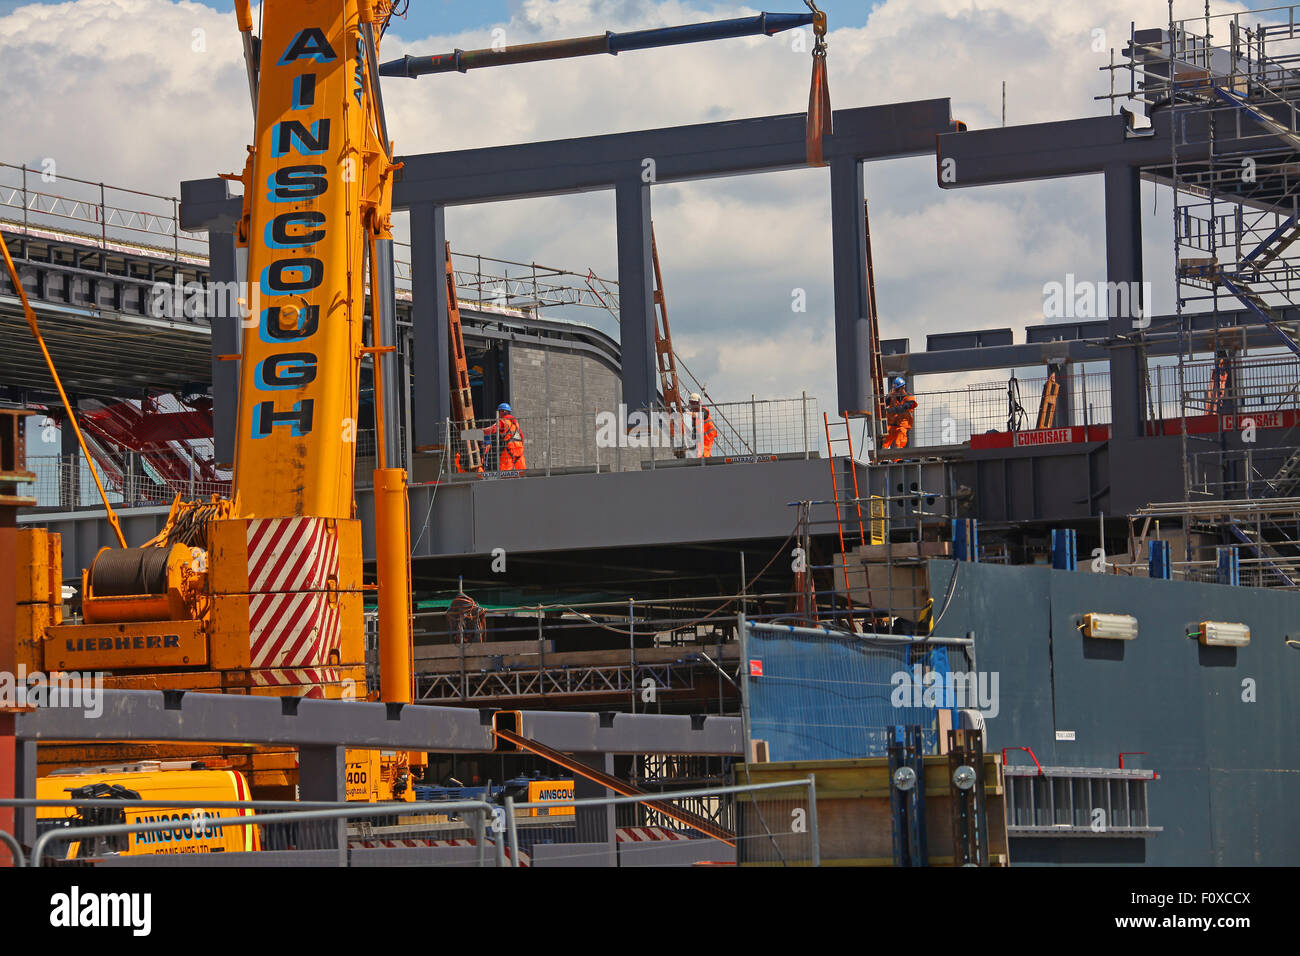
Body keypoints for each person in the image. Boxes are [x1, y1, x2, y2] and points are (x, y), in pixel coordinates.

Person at [482, 402, 526, 471]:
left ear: (503, 412)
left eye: (499, 412)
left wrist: (478, 431)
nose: (498, 414)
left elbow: (492, 430)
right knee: (522, 473)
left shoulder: (502, 421)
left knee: (504, 472)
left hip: (510, 449)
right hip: (520, 450)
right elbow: (521, 436)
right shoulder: (514, 422)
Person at [882, 377, 917, 452]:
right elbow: (883, 404)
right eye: (895, 389)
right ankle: (879, 461)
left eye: (897, 389)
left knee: (899, 443)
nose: (896, 391)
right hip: (892, 425)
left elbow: (904, 407)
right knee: (884, 443)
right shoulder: (891, 396)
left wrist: (891, 410)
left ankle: (897, 461)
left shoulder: (909, 398)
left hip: (902, 425)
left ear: (903, 387)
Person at [682, 393, 717, 459]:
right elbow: (694, 430)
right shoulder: (694, 416)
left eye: (693, 403)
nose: (692, 405)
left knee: (703, 456)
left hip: (707, 438)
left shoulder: (704, 410)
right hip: (701, 439)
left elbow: (702, 415)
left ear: (698, 403)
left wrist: (687, 413)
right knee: (701, 455)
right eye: (691, 403)